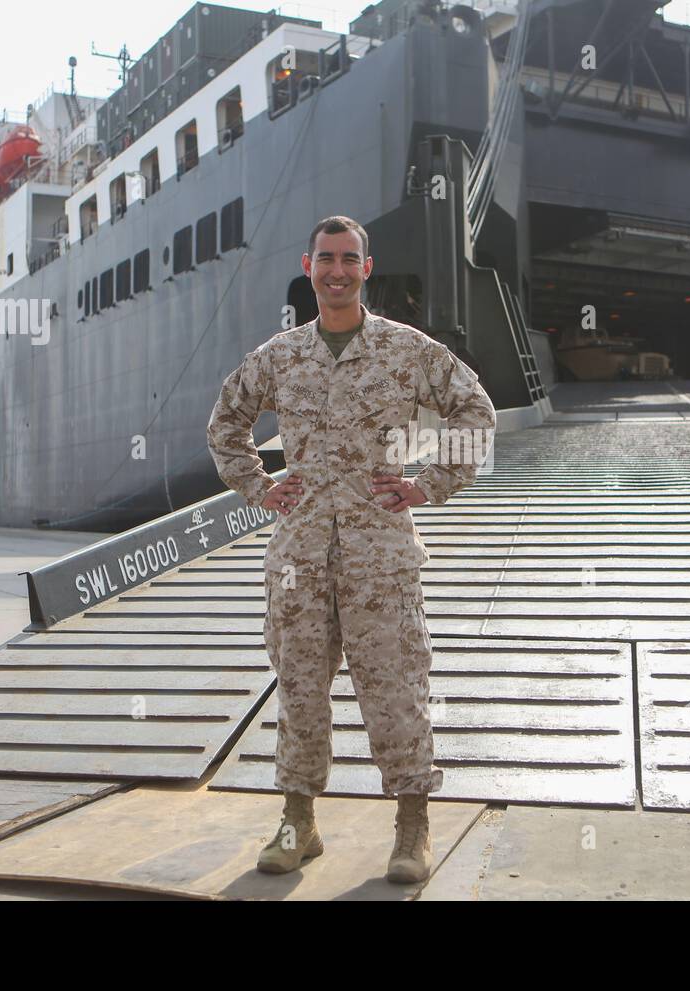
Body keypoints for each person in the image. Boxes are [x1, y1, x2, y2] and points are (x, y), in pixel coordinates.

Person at [206, 216, 496, 884]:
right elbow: (226, 423)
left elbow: (474, 412)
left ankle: (412, 825)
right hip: (299, 555)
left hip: (380, 553)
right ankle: (297, 822)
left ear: (368, 267)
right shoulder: (279, 358)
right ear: (308, 266)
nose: (337, 271)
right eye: (325, 260)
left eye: (349, 260)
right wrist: (259, 487)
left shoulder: (406, 351)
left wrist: (430, 484)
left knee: (396, 688)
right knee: (300, 690)